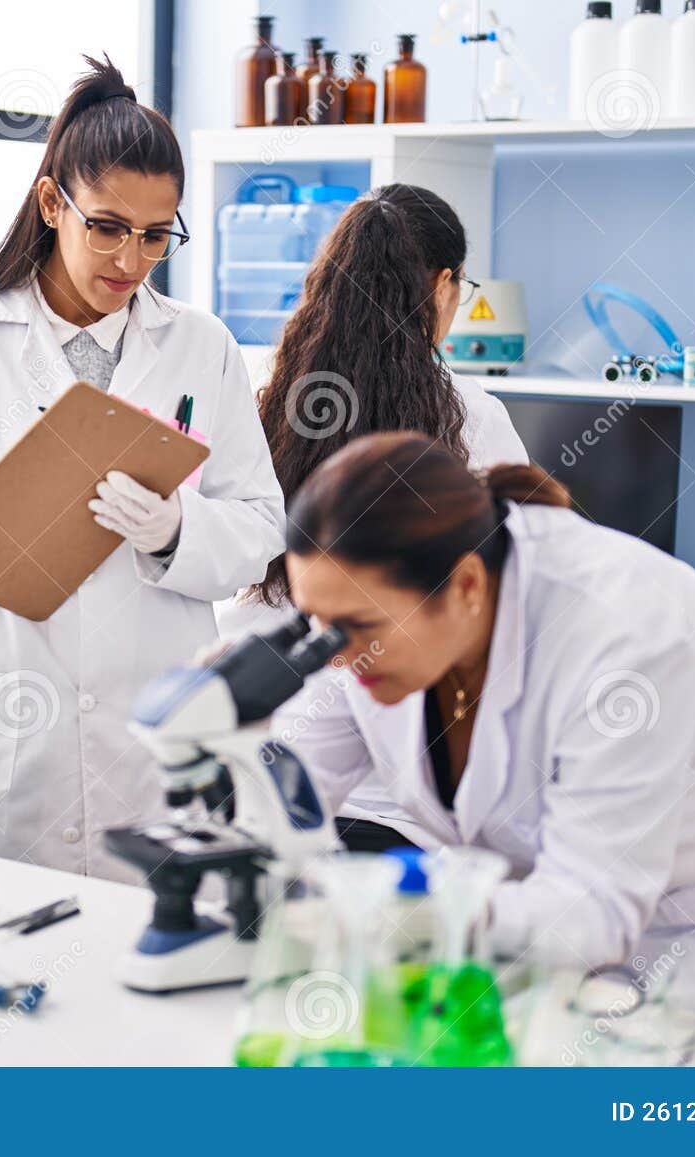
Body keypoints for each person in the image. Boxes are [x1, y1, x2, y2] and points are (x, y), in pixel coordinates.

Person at [0, 58, 284, 879]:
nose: (131, 259)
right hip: (7, 746)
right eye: (107, 226)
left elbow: (260, 524)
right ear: (53, 202)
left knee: (151, 982)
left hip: (151, 741)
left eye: (156, 234)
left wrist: (176, 530)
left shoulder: (201, 347)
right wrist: (20, 518)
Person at [277, 433, 695, 1011]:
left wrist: (404, 911)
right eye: (319, 626)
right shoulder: (370, 627)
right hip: (545, 954)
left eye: (356, 629)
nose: (336, 657)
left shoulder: (626, 631)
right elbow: (285, 791)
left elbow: (591, 906)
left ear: (467, 586)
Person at [222, 182, 527, 851]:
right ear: (443, 285)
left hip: (261, 762)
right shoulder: (473, 421)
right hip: (402, 787)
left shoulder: (266, 405)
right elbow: (504, 595)